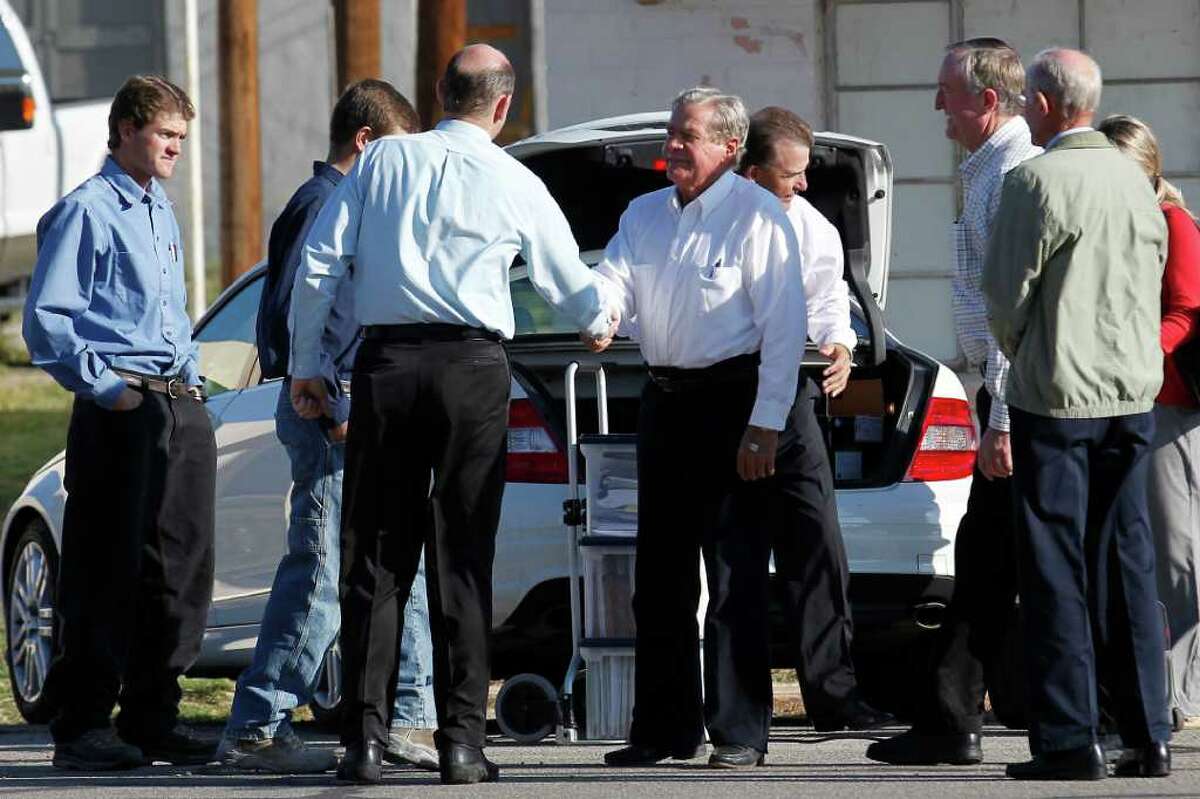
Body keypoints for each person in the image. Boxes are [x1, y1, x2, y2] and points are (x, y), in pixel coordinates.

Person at [288, 44, 616, 785]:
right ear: (503, 106)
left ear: (439, 92)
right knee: (462, 555)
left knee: (376, 553)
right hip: (473, 369)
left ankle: (364, 741)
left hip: (389, 366)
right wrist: (606, 316)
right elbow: (573, 287)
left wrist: (308, 364)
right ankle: (462, 741)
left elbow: (318, 264)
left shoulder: (379, 163)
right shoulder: (516, 178)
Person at [217, 80, 436, 774]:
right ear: (366, 143)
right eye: (396, 153)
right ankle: (259, 720)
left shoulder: (335, 202)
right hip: (329, 410)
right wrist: (338, 407)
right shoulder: (326, 205)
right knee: (320, 569)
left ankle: (409, 711)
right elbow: (301, 310)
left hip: (350, 405)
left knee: (400, 563)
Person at [594, 87, 806, 770]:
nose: (673, 145)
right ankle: (664, 728)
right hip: (663, 400)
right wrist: (599, 317)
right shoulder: (643, 213)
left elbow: (785, 331)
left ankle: (740, 729)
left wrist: (764, 425)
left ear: (729, 146)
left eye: (688, 134)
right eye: (671, 132)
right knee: (658, 574)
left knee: (736, 569)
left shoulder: (757, 218)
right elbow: (614, 283)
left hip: (732, 401)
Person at [984, 48, 1172, 780]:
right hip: (1132, 391)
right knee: (1127, 560)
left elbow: (1005, 296)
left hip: (1059, 393)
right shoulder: (1135, 178)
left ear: (1041, 103)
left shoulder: (1035, 179)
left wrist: (1027, 348)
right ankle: (1147, 733)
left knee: (1057, 565)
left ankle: (1070, 736)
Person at [23, 75, 217, 771]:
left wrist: (191, 379)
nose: (175, 149)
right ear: (128, 128)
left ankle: (153, 716)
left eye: (181, 139)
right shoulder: (88, 211)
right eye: (166, 135)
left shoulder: (159, 209)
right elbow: (47, 322)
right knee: (106, 568)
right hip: (122, 408)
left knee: (181, 570)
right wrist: (111, 391)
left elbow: (172, 312)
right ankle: (82, 725)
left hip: (174, 403)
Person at [868, 38, 1040, 766]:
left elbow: (1011, 307)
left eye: (949, 91)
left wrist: (998, 415)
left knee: (1004, 560)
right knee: (992, 561)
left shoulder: (1012, 176)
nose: (937, 105)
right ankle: (959, 711)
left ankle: (961, 713)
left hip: (1015, 397)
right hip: (1006, 394)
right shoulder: (990, 171)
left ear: (988, 101)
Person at [735, 106, 892, 732]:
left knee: (817, 545)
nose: (802, 185)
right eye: (789, 174)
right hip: (725, 393)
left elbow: (832, 301)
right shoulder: (718, 225)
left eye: (804, 173)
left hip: (794, 395)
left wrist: (843, 346)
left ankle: (834, 695)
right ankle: (738, 710)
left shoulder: (815, 226)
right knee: (734, 556)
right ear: (750, 172)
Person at [1099, 114, 1200, 730]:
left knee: (1178, 552)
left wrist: (1139, 353)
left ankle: (1179, 694)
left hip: (1169, 398)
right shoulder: (1125, 224)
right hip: (1130, 397)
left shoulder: (1173, 224)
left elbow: (1187, 309)